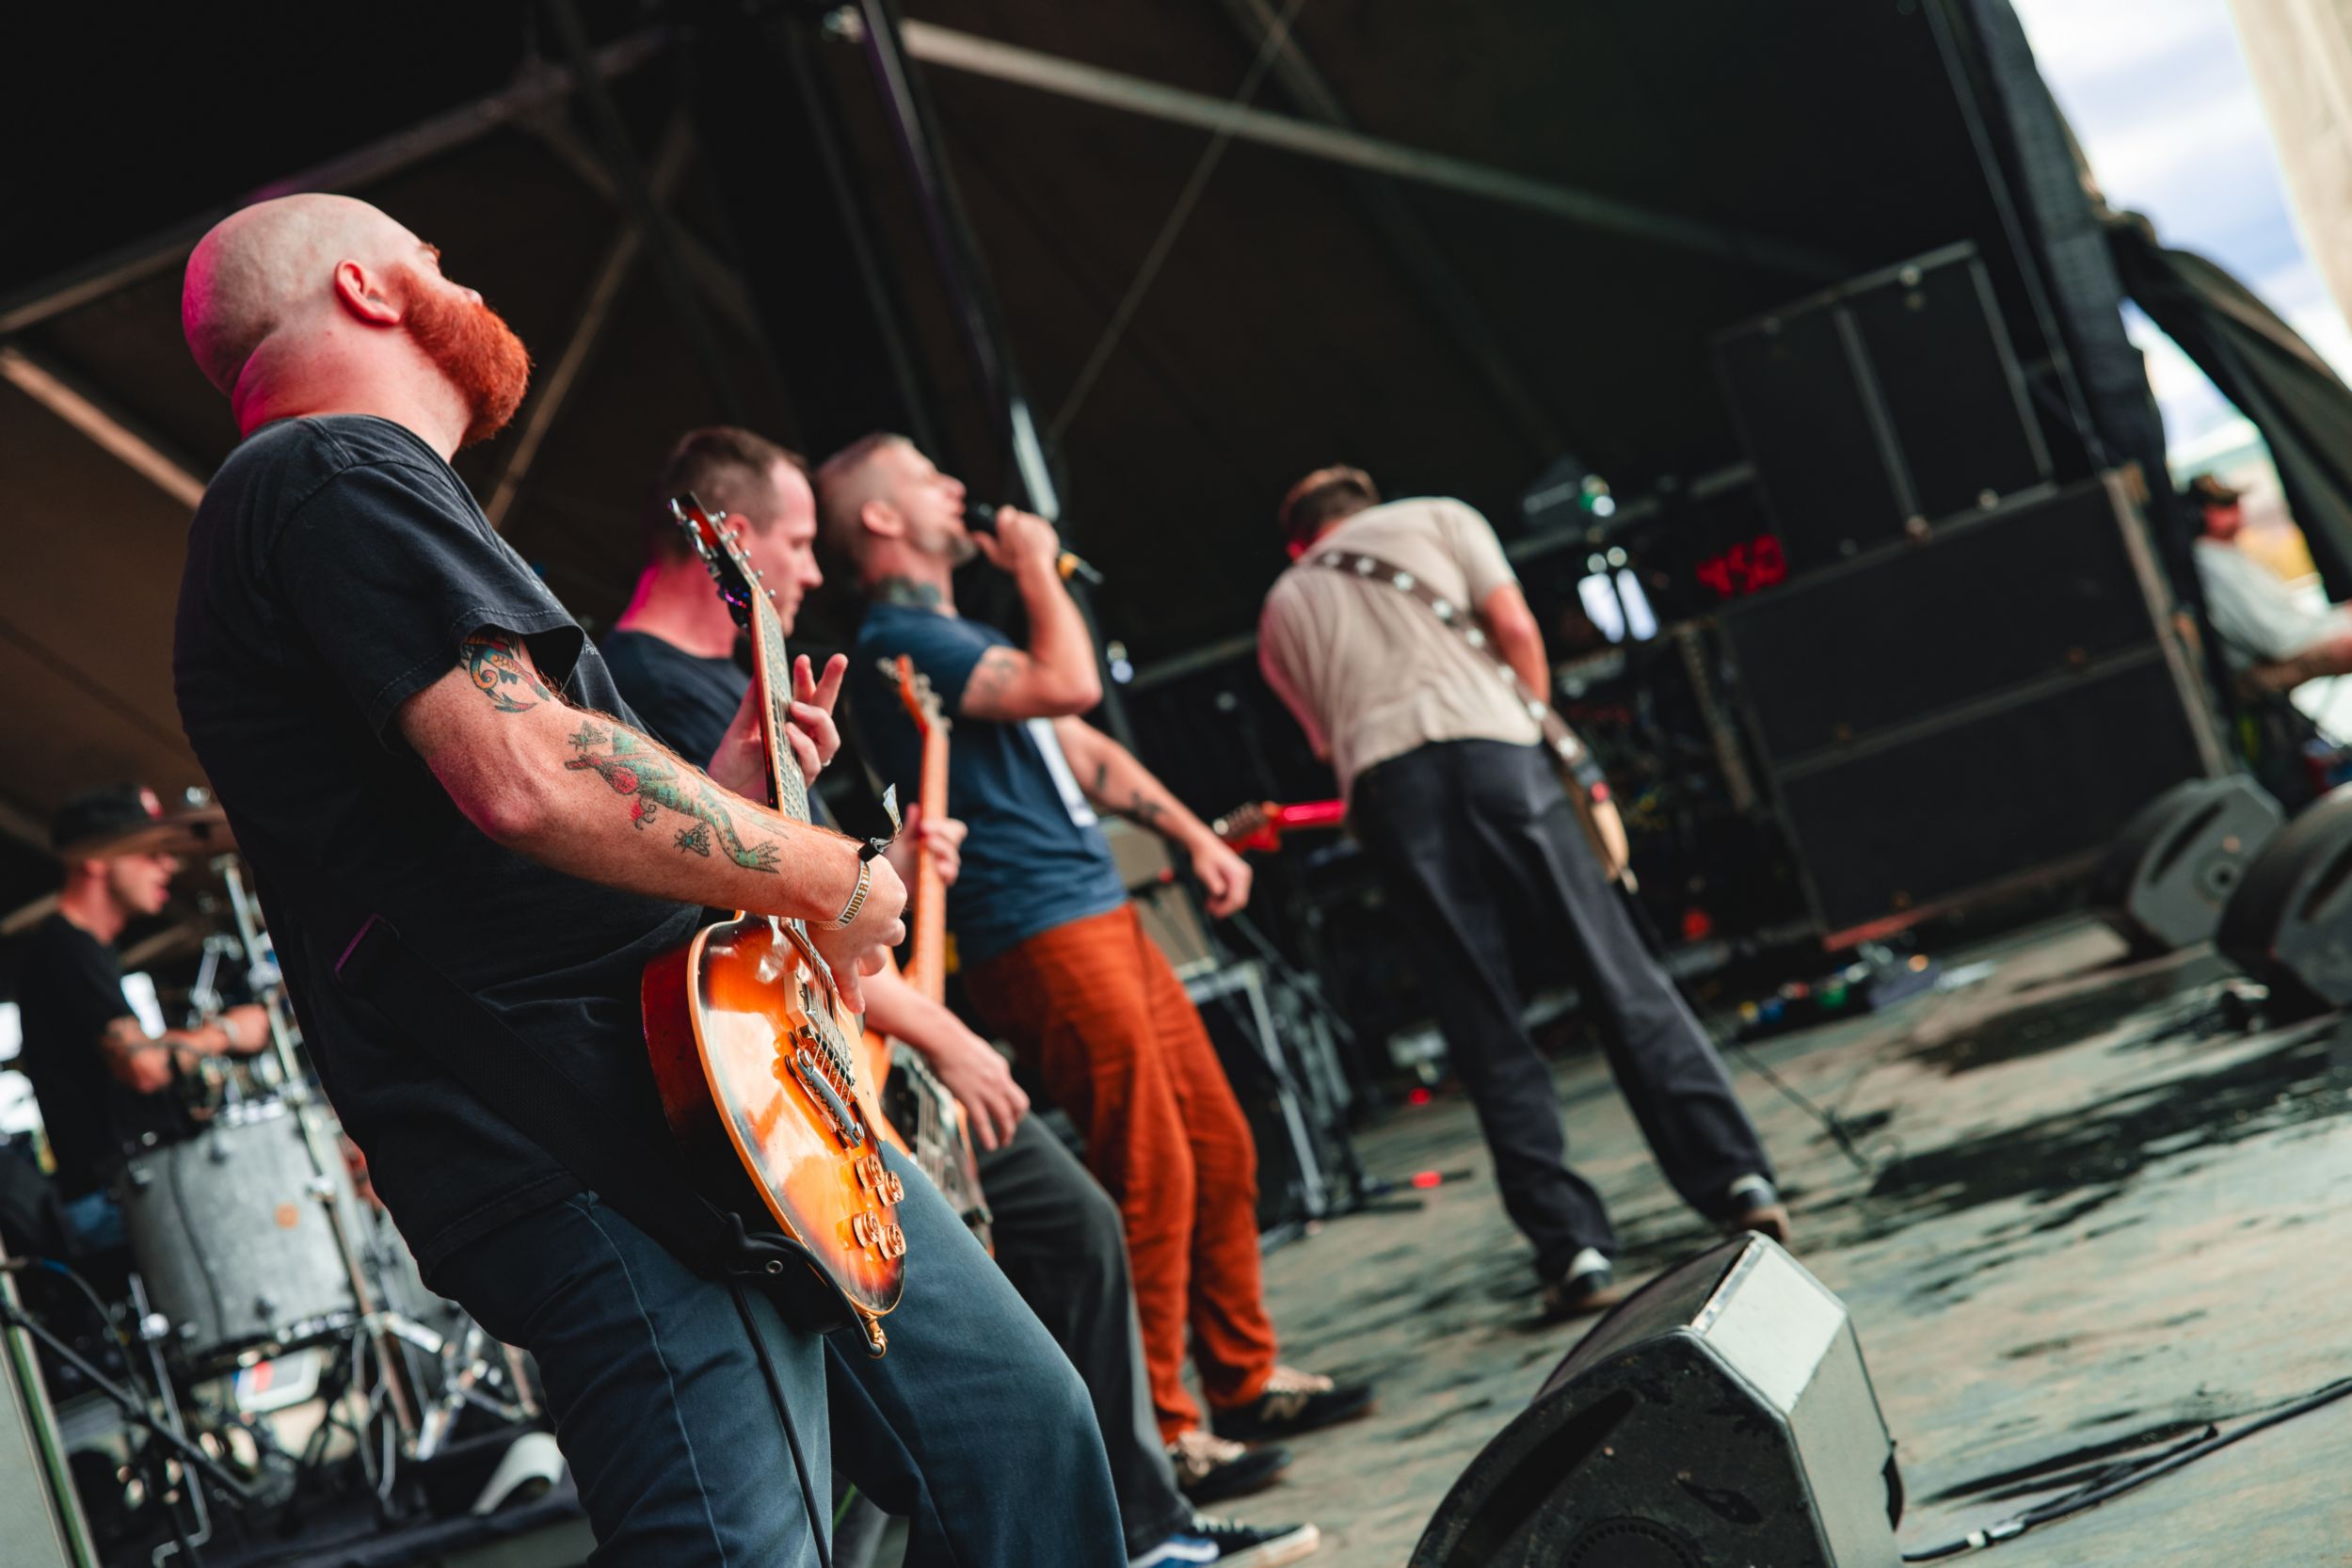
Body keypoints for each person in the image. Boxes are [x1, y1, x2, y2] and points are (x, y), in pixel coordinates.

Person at [172, 193, 1120, 1568]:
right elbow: (526, 772)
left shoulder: (341, 496)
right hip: (592, 1126)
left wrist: (722, 788)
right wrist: (832, 874)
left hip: (721, 1104)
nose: (466, 286)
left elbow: (497, 822)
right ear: (369, 290)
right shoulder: (328, 471)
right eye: (437, 260)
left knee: (1019, 1435)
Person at [607, 425, 1316, 1565]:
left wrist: (886, 873)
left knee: (1077, 1232)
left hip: (845, 1035)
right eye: (798, 543)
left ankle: (1143, 1515)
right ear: (729, 540)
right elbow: (730, 912)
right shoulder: (647, 683)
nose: (813, 572)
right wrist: (945, 1028)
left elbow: (797, 896)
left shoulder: (726, 683)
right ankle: (1146, 1488)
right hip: (806, 1069)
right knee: (987, 1325)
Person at [817, 434, 1375, 1483]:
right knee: (1149, 1164)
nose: (956, 487)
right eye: (928, 478)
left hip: (1098, 908)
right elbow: (1070, 686)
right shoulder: (901, 637)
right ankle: (1162, 1431)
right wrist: (1037, 566)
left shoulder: (961, 633)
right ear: (881, 520)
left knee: (1217, 1140)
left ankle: (1243, 1376)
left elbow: (1078, 748)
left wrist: (1193, 834)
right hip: (1036, 925)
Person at [1256, 467, 1789, 1319]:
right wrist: (1529, 729)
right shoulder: (1439, 515)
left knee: (1482, 1020)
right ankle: (1737, 1180)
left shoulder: (1283, 603)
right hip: (1497, 753)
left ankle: (1572, 1253)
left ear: (1298, 539)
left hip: (1392, 795)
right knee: (1615, 972)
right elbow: (1512, 627)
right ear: (1367, 503)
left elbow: (1326, 743)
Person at [14, 784, 269, 1254]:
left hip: (136, 1191)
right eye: (150, 852)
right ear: (96, 858)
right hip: (115, 1202)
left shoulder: (90, 950)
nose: (168, 864)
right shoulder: (65, 947)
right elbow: (144, 1067)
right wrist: (226, 1031)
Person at [2185, 473, 2352, 693]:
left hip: (2290, 645)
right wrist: (2340, 622)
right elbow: (2278, 641)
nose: (2238, 509)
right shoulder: (2211, 564)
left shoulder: (2229, 555)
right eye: (2224, 505)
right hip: (2263, 669)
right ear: (2199, 514)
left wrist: (2341, 616)